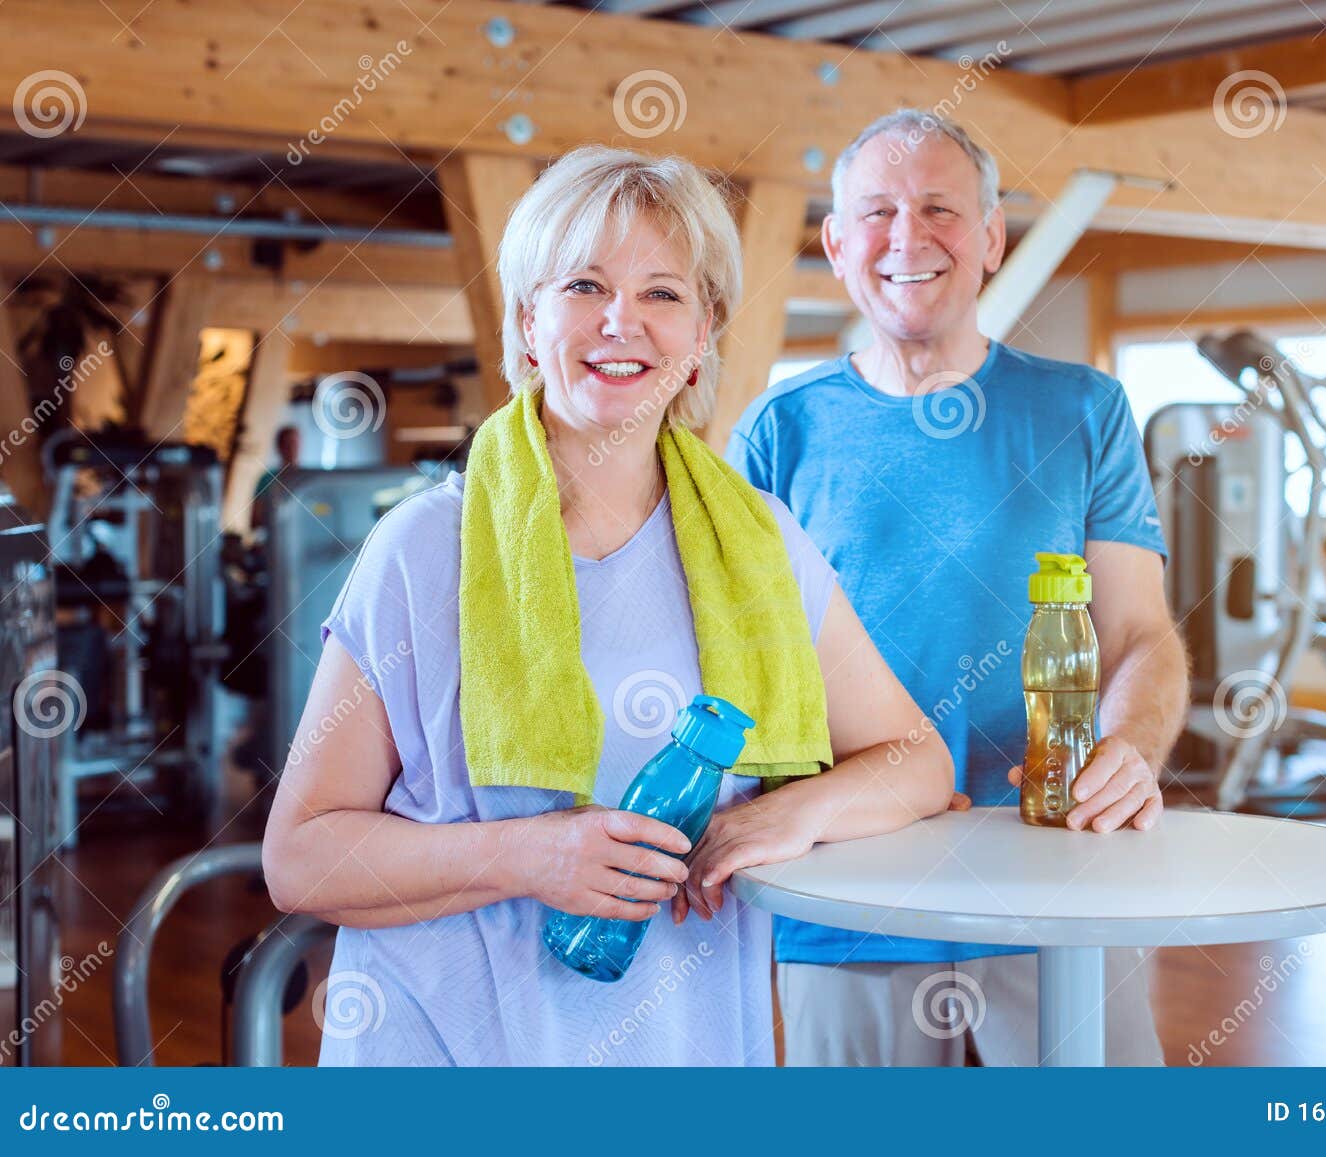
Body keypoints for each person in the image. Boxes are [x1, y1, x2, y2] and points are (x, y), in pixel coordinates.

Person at [262, 145, 954, 1067]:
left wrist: (791, 813)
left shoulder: (761, 544)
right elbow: (300, 857)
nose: (621, 321)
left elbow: (917, 760)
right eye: (584, 285)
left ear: (702, 333)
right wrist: (529, 855)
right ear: (527, 321)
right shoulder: (425, 548)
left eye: (662, 293)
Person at [724, 109, 1189, 1066]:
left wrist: (1131, 749)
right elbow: (737, 664)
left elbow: (1139, 634)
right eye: (878, 212)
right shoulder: (776, 432)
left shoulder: (1085, 409)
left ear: (990, 238)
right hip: (848, 897)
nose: (908, 236)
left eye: (939, 208)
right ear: (837, 244)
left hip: (1058, 868)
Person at [250, 424, 300, 532]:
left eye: (295, 444)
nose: (292, 449)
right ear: (279, 448)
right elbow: (254, 520)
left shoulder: (307, 479)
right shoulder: (267, 479)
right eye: (288, 445)